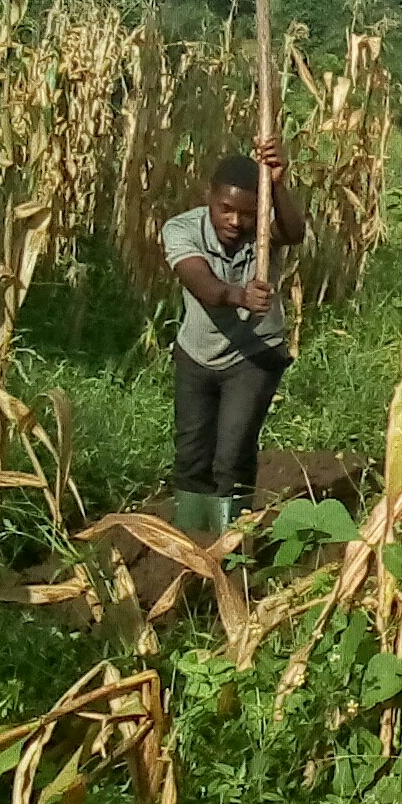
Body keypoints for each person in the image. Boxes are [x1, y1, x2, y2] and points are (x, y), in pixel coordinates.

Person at [161, 137, 306, 534]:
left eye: (246, 213)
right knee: (191, 456)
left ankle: (232, 551)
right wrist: (241, 295)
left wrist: (276, 185)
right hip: (197, 356)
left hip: (253, 358)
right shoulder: (181, 230)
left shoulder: (260, 231)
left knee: (232, 455)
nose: (235, 222)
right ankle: (192, 542)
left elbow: (293, 232)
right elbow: (202, 284)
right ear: (208, 197)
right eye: (225, 209)